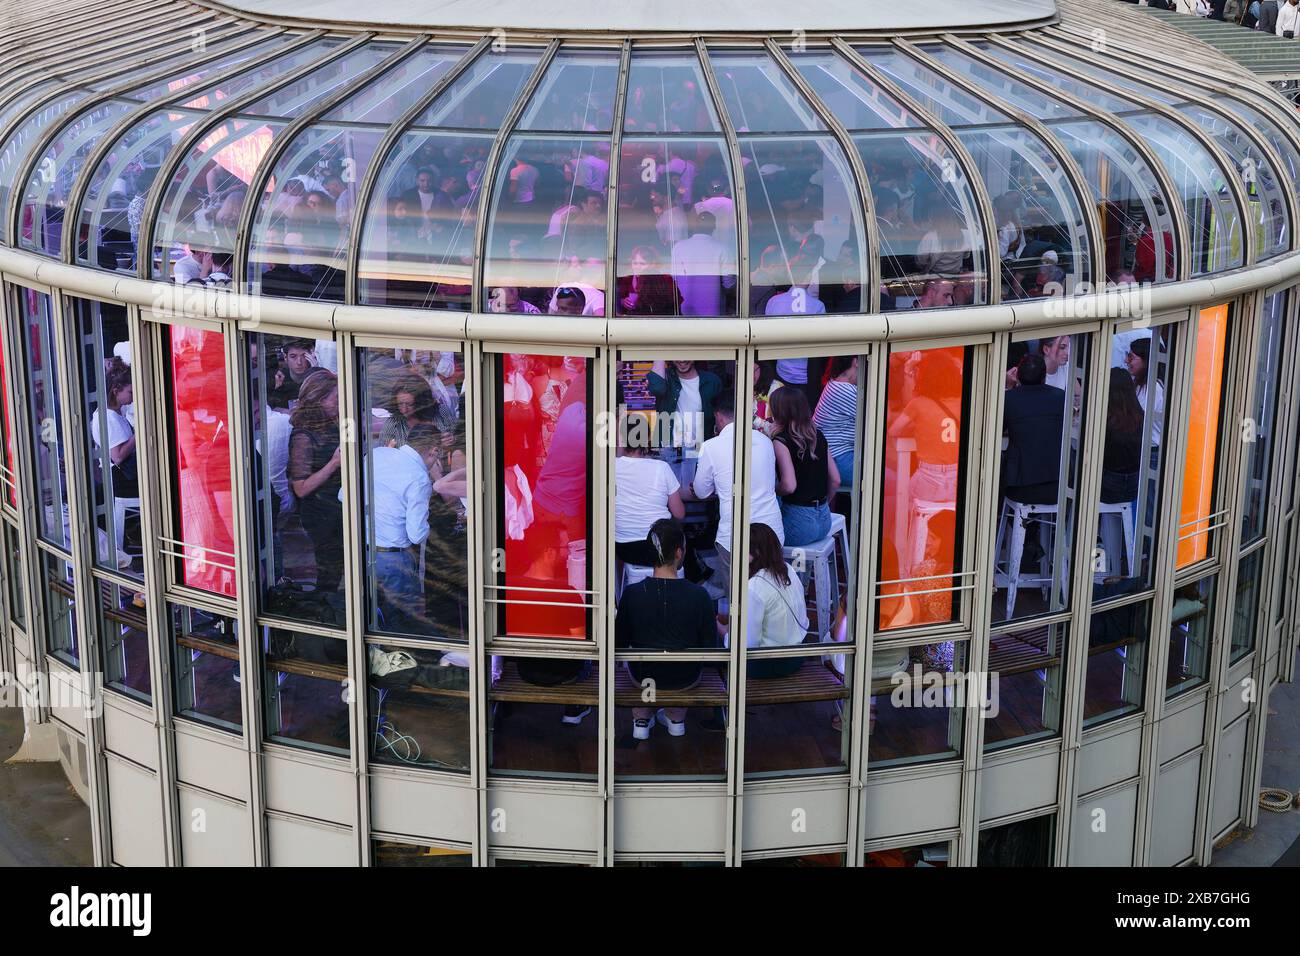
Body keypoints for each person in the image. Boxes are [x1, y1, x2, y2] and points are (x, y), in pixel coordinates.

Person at [616, 518, 719, 739]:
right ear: (679, 553)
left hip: (642, 679)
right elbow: (711, 649)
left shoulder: (632, 593)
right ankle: (676, 717)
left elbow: (619, 644)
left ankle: (641, 717)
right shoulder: (699, 595)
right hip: (685, 678)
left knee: (635, 666)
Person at [692, 390, 783, 595]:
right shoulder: (766, 442)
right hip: (772, 532)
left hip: (734, 537)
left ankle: (737, 625)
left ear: (718, 415)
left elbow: (701, 491)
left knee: (739, 599)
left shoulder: (710, 446)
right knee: (771, 593)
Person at [367, 423, 439, 628]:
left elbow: (343, 495)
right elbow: (416, 535)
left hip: (363, 553)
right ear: (434, 450)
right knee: (401, 623)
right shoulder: (419, 477)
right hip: (394, 560)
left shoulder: (377, 454)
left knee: (370, 616)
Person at [288, 370, 343, 593]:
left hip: (337, 504)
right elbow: (300, 489)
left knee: (339, 564)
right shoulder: (303, 436)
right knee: (330, 567)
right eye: (336, 400)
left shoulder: (333, 422)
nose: (340, 404)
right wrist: (333, 464)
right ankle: (323, 609)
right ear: (320, 401)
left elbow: (350, 442)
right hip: (320, 511)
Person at [770, 386, 839, 547]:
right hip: (824, 521)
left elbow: (789, 485)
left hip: (798, 525)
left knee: (759, 537)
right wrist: (821, 505)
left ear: (779, 411)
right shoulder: (818, 435)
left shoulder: (780, 441)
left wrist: (772, 490)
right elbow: (836, 479)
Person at [615, 414, 685, 566]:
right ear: (647, 438)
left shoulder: (611, 468)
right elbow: (679, 513)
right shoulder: (661, 468)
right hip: (660, 547)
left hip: (625, 549)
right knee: (678, 531)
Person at [743, 523, 810, 679]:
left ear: (757, 552)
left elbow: (748, 645)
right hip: (798, 655)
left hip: (771, 663)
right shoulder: (788, 569)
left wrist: (724, 633)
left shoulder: (754, 587)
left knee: (719, 650)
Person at [1001, 353, 1065, 506]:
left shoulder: (1009, 398)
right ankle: (1035, 528)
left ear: (1018, 376)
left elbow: (996, 429)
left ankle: (1008, 526)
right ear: (1044, 377)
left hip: (1020, 488)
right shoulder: (1061, 396)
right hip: (1058, 486)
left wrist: (1009, 387)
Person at [646, 359, 722, 451]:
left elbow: (721, 418)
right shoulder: (665, 377)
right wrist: (662, 349)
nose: (681, 360)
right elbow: (656, 388)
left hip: (698, 450)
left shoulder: (711, 381)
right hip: (668, 451)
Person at [671, 211, 734, 316]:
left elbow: (674, 279)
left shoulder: (678, 247)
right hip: (714, 313)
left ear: (695, 226)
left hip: (685, 310)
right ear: (714, 227)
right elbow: (729, 283)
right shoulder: (722, 248)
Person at [813, 356, 859, 492]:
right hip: (839, 459)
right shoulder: (846, 391)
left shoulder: (834, 383)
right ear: (856, 361)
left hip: (832, 457)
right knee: (888, 480)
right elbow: (883, 420)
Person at [269, 338, 318, 410]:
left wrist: (316, 374)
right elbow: (274, 408)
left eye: (304, 356)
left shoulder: (317, 375)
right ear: (285, 358)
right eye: (293, 356)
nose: (299, 362)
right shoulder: (279, 378)